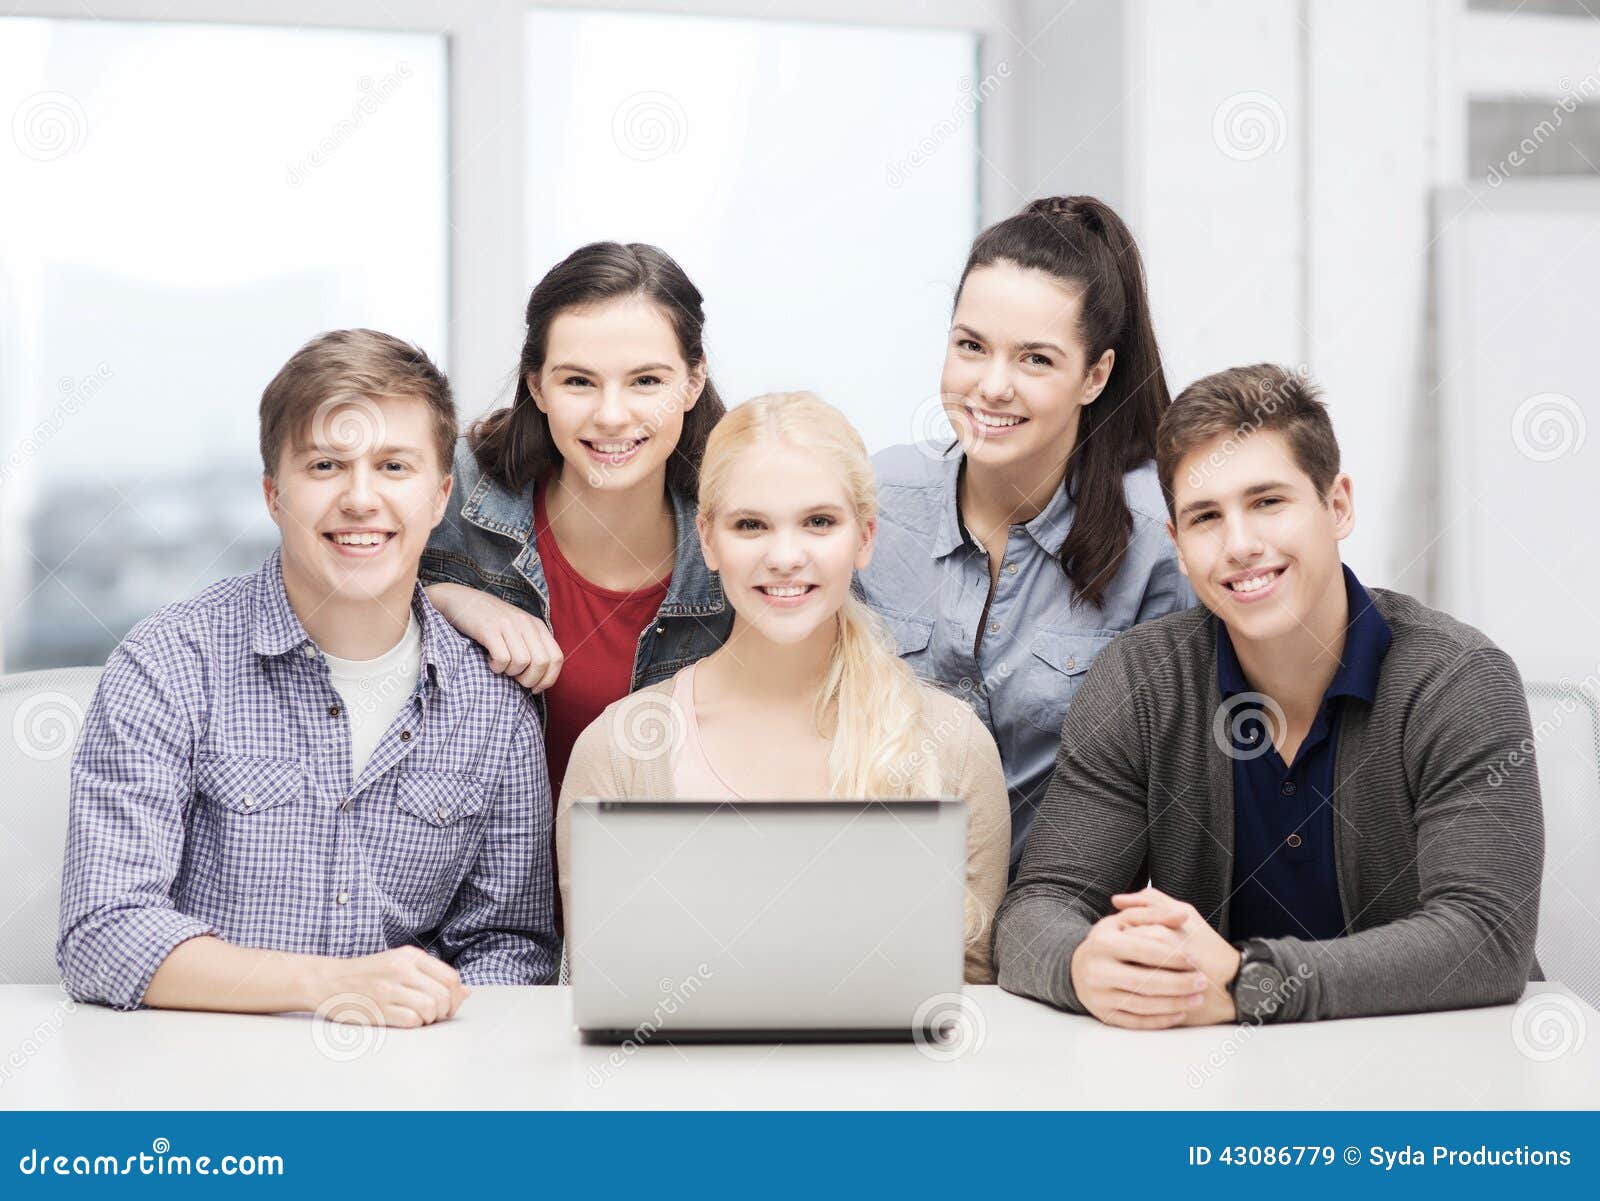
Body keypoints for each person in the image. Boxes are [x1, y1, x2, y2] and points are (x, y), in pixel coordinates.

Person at [995, 363, 1543, 1026]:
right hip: (1219, 1083)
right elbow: (1037, 908)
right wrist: (1079, 964)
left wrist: (1249, 981)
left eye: (1267, 502)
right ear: (1177, 544)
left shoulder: (1457, 682)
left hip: (1435, 1076)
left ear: (1336, 505)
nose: (1241, 545)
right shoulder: (1139, 683)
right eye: (1205, 517)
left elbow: (1486, 938)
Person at [57, 330, 558, 1025]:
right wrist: (330, 984)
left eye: (393, 466)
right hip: (194, 1090)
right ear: (273, 494)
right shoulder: (170, 661)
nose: (360, 498)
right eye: (326, 465)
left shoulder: (497, 708)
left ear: (440, 496)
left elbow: (512, 948)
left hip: (404, 1088)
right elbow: (103, 932)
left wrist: (440, 1030)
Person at [560, 393, 1010, 983]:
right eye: (751, 525)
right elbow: (600, 987)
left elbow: (970, 992)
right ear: (709, 541)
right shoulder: (617, 751)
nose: (785, 556)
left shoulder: (952, 746)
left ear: (865, 537)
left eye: (819, 523)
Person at [860, 196, 1192, 873]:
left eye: (1035, 359)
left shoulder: (1161, 539)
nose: (992, 386)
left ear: (1094, 375)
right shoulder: (874, 502)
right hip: (876, 917)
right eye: (971, 346)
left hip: (1066, 933)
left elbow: (1178, 791)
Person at [420, 242, 732, 820]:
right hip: (476, 904)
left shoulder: (746, 531)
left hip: (668, 895)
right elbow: (322, 617)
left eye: (645, 381)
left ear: (692, 383)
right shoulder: (451, 491)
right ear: (537, 386)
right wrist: (444, 599)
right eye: (579, 382)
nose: (611, 415)